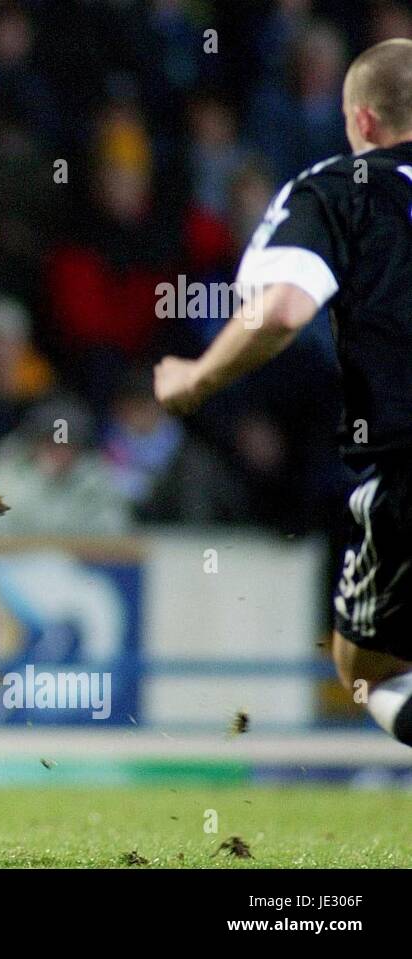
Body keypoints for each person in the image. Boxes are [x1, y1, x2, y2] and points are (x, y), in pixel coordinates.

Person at [154, 38, 412, 749]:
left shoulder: (338, 189)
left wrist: (194, 377)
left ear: (361, 120)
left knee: (364, 669)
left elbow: (281, 310)